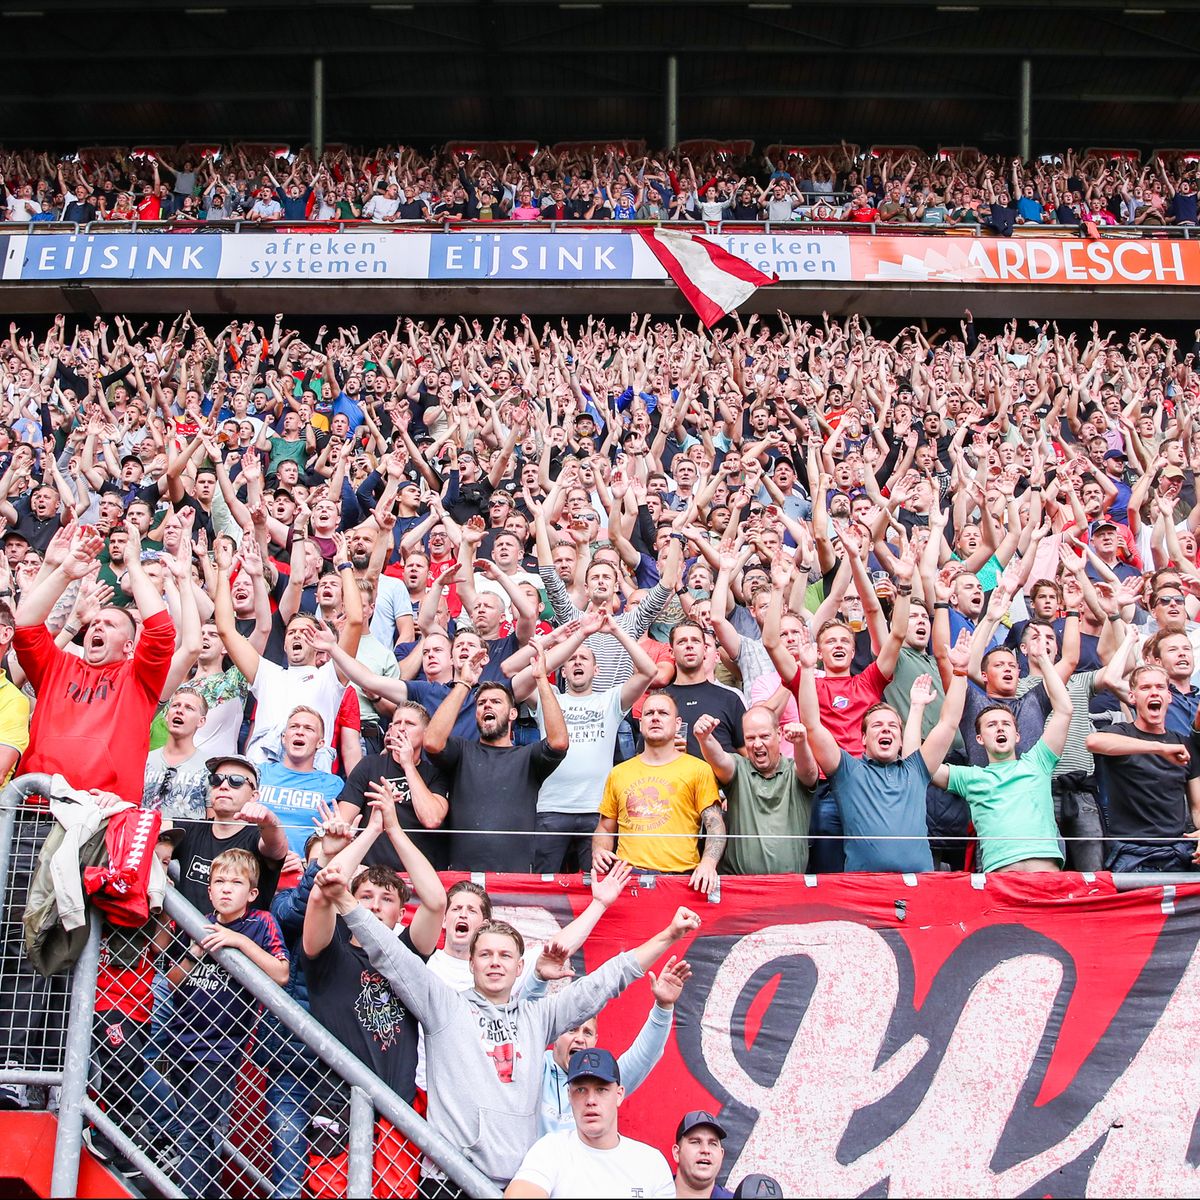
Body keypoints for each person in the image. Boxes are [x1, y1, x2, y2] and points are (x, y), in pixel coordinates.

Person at [309, 854, 700, 1189]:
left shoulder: (538, 1015)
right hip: (448, 1178)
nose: (494, 962)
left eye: (504, 956)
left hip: (519, 1180)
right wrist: (345, 900)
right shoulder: (444, 1005)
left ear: (519, 967)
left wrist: (668, 935)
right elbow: (391, 956)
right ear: (471, 962)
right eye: (486, 955)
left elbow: (606, 981)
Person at [302, 780, 447, 1199]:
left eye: (386, 899)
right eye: (365, 895)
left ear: (401, 912)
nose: (374, 905)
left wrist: (394, 830)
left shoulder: (405, 954)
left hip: (397, 1107)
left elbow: (436, 901)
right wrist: (369, 831)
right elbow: (322, 893)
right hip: (334, 1103)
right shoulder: (329, 951)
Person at [14, 521, 174, 799]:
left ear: (129, 646)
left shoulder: (138, 678)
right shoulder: (57, 666)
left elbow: (160, 630)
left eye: (110, 625)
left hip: (102, 814)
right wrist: (64, 572)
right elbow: (26, 627)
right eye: (96, 623)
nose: (98, 627)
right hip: (36, 808)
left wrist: (134, 566)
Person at [165, 848, 290, 1198]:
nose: (225, 889)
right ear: (208, 888)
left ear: (251, 893)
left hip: (223, 1045)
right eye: (218, 881)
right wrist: (195, 951)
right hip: (181, 1039)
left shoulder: (260, 922)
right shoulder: (197, 920)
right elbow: (172, 979)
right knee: (193, 1129)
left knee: (196, 1127)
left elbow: (281, 972)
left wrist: (237, 941)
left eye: (236, 883)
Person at [798, 628, 973, 873]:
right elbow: (812, 726)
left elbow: (949, 723)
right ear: (863, 739)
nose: (886, 730)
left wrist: (961, 671)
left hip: (919, 889)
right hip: (865, 892)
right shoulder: (847, 770)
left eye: (893, 726)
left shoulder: (916, 769)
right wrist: (806, 670)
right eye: (877, 726)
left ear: (901, 740)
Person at [508, 612, 658, 872]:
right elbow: (513, 678)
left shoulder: (610, 700)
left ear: (596, 669)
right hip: (551, 808)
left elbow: (649, 670)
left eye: (584, 658)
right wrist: (577, 637)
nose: (577, 662)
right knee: (545, 889)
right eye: (571, 659)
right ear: (562, 670)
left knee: (595, 886)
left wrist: (616, 631)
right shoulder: (548, 694)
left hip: (597, 812)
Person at [423, 640, 568, 872]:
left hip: (516, 879)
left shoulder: (527, 757)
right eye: (481, 703)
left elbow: (559, 741)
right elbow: (431, 741)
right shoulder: (462, 752)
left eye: (496, 702)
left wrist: (541, 679)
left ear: (513, 714)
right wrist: (464, 682)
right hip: (464, 880)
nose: (487, 706)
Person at [931, 650, 1074, 873]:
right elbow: (923, 767)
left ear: (1017, 735)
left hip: (1047, 880)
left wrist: (1045, 662)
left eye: (1006, 724)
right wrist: (959, 672)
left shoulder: (1038, 762)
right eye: (991, 725)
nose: (999, 727)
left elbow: (1065, 710)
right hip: (1001, 885)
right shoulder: (971, 777)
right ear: (978, 739)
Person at [539, 955, 690, 1136]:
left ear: (595, 1040)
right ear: (555, 1034)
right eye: (572, 1030)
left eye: (587, 1033)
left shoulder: (605, 1078)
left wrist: (663, 1006)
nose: (580, 1038)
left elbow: (643, 1056)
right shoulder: (534, 1068)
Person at [595, 692, 725, 893]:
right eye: (649, 713)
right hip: (627, 878)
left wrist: (708, 863)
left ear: (677, 723)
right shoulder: (618, 773)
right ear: (640, 723)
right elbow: (605, 826)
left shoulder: (699, 769)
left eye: (663, 713)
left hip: (682, 878)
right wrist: (599, 850)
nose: (655, 717)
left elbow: (715, 824)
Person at [505, 1048, 676, 1199]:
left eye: (601, 1089)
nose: (591, 1100)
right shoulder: (551, 1150)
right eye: (581, 1090)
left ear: (619, 1095)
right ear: (569, 1096)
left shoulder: (651, 1163)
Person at [1088, 662, 1200, 872]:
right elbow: (1093, 742)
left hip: (1177, 851)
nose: (1154, 692)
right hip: (1131, 853)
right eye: (1146, 688)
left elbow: (1197, 808)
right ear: (1132, 697)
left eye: (1160, 687)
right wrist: (1158, 748)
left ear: (1169, 697)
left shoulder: (1185, 744)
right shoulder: (1121, 732)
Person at [694, 707, 816, 875]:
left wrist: (801, 742)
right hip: (740, 888)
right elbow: (719, 759)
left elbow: (809, 772)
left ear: (779, 734)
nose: (757, 744)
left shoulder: (794, 771)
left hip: (789, 888)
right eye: (750, 738)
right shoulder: (738, 768)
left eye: (764, 736)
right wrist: (704, 737)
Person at [337, 699, 450, 869]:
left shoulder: (435, 773)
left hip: (417, 876)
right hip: (371, 872)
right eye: (397, 723)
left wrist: (408, 765)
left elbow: (431, 819)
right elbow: (343, 820)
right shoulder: (369, 765)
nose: (402, 728)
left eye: (410, 723)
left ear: (426, 733)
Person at [174, 755, 289, 913]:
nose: (223, 786)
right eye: (216, 779)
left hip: (241, 936)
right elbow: (153, 827)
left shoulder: (257, 837)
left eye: (236, 780)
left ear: (254, 796)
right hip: (186, 937)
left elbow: (276, 847)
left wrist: (270, 821)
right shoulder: (193, 829)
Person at [255, 706, 346, 854]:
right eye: (294, 727)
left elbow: (335, 833)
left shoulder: (333, 784)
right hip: (259, 862)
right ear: (284, 738)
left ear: (320, 743)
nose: (300, 731)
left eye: (309, 729)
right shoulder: (259, 772)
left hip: (304, 867)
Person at [143, 686, 211, 819]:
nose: (180, 710)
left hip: (188, 839)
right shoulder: (144, 760)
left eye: (189, 708)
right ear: (167, 715)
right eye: (175, 705)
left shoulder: (209, 768)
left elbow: (212, 823)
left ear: (201, 721)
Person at [673, 1111, 733, 1199]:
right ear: (677, 1153)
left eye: (713, 1144)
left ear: (722, 1154)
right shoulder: (650, 1190)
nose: (705, 1150)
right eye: (695, 1142)